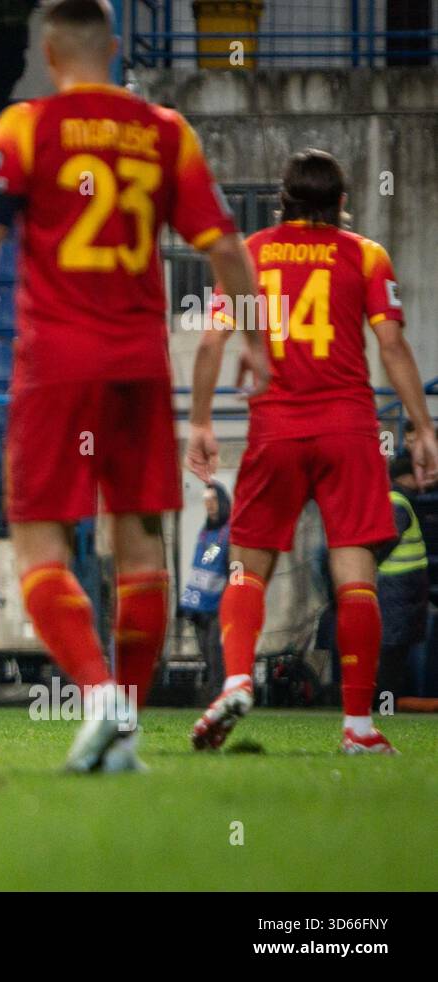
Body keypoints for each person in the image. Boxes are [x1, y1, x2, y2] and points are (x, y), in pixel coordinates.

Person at [0, 0, 265, 770]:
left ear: (48, 50)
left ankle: (98, 695)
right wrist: (253, 336)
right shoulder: (165, 131)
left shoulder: (24, 127)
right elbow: (226, 247)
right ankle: (127, 730)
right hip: (141, 365)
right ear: (114, 47)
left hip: (55, 367)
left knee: (39, 539)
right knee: (140, 542)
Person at [187, 148, 438, 754]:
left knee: (247, 566)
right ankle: (357, 727)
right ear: (342, 204)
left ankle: (238, 679)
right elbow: (393, 347)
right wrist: (422, 426)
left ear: (284, 200)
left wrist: (198, 421)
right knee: (356, 579)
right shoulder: (366, 255)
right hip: (349, 431)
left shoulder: (249, 255)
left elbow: (212, 343)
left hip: (275, 429)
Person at [376, 451, 430, 704]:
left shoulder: (397, 501)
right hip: (397, 588)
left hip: (400, 589)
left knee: (394, 650)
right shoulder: (398, 501)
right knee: (392, 651)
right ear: (406, 476)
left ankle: (384, 704)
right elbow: (388, 541)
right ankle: (383, 704)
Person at [180, 481, 232, 687]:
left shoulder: (228, 533)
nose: (209, 505)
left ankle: (218, 692)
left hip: (218, 603)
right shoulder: (205, 532)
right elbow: (200, 567)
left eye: (213, 500)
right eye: (206, 501)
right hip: (198, 604)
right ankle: (214, 691)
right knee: (205, 651)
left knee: (214, 649)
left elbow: (234, 565)